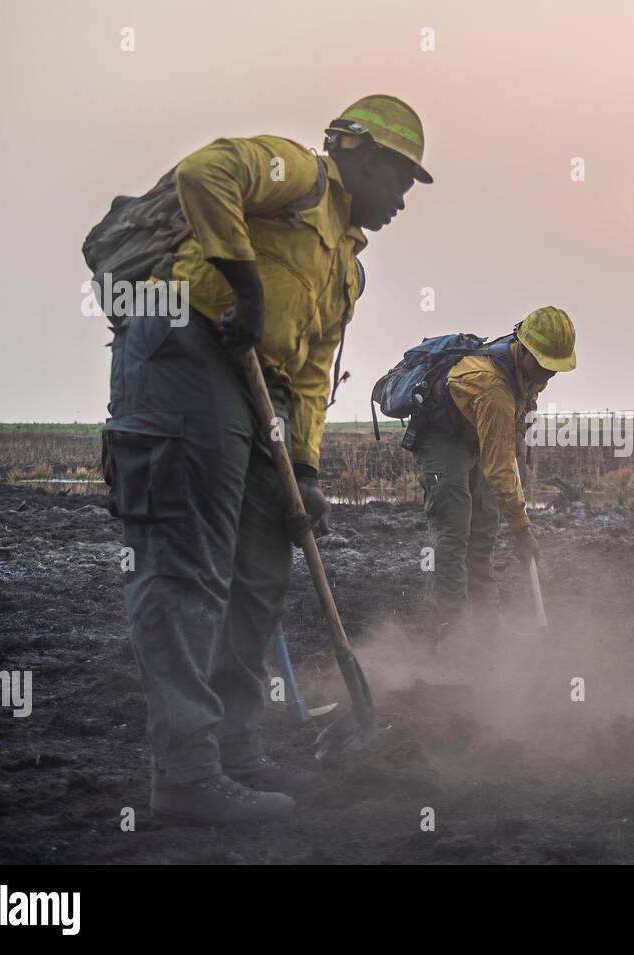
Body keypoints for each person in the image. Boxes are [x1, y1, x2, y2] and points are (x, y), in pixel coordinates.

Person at [102, 95, 432, 825]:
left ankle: (239, 751)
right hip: (186, 348)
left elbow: (312, 372)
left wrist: (304, 473)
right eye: (400, 178)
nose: (404, 199)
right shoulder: (297, 175)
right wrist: (244, 284)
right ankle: (187, 773)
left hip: (265, 394)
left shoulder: (347, 269)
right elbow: (205, 172)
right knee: (188, 563)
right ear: (359, 155)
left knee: (259, 572)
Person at [417, 307, 577, 638]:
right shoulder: (494, 389)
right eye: (544, 366)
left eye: (554, 369)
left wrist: (518, 429)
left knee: (484, 527)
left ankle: (488, 626)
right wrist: (522, 531)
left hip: (475, 431)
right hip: (443, 437)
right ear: (524, 349)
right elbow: (501, 469)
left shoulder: (528, 370)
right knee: (454, 528)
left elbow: (527, 400)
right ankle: (452, 630)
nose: (547, 376)